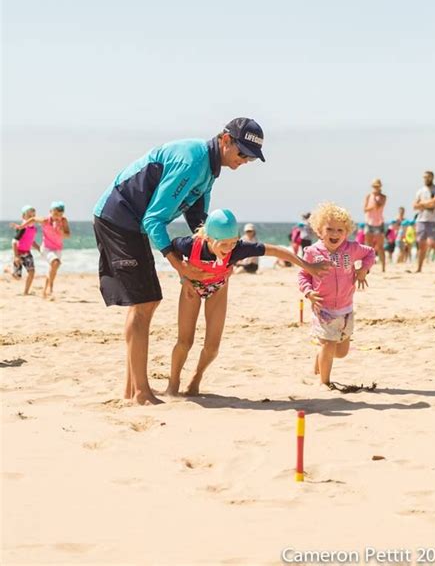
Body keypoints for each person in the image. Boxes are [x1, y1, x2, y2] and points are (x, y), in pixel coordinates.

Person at [93, 117, 266, 405]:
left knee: (143, 302)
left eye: (251, 156)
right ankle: (141, 394)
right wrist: (180, 265)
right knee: (146, 302)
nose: (246, 160)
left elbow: (199, 224)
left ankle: (131, 388)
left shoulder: (209, 169)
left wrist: (221, 256)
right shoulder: (192, 162)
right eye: (243, 153)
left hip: (128, 222)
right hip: (119, 219)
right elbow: (153, 219)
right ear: (225, 140)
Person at [165, 209, 330, 396]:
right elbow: (171, 252)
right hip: (191, 289)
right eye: (224, 244)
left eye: (233, 242)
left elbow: (276, 250)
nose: (228, 248)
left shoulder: (239, 249)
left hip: (218, 289)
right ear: (208, 238)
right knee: (185, 341)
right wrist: (184, 277)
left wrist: (308, 266)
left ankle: (196, 378)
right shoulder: (189, 245)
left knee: (212, 347)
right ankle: (174, 381)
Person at [298, 202, 375, 390]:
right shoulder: (312, 252)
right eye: (329, 229)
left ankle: (320, 357)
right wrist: (308, 292)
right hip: (322, 308)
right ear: (319, 230)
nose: (335, 234)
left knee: (341, 352)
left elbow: (370, 253)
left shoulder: (352, 249)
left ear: (347, 232)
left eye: (340, 230)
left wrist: (363, 270)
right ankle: (324, 381)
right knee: (328, 344)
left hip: (346, 308)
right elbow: (303, 275)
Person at [12, 202, 71, 298]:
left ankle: (47, 288)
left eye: (60, 215)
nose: (57, 217)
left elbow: (68, 235)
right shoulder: (45, 220)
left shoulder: (63, 221)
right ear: (50, 212)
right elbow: (33, 219)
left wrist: (61, 233)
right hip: (46, 248)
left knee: (54, 269)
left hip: (57, 249)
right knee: (55, 263)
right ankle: (47, 289)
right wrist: (21, 226)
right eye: (55, 214)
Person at [5, 205, 40, 295]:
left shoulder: (34, 229)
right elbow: (14, 242)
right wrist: (16, 256)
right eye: (29, 216)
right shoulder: (23, 228)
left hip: (27, 253)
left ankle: (26, 292)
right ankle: (8, 269)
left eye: (33, 216)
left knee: (31, 272)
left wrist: (39, 248)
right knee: (17, 277)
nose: (31, 218)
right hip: (19, 253)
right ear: (23, 217)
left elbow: (31, 241)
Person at [413, 171, 435, 272]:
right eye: (425, 177)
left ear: (432, 177)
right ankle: (419, 268)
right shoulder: (420, 191)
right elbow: (414, 206)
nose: (426, 179)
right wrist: (428, 204)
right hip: (421, 220)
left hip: (434, 220)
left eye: (428, 177)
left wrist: (422, 204)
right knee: (421, 245)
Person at [363, 179, 386, 272]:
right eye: (374, 186)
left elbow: (378, 206)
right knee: (368, 246)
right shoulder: (368, 196)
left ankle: (383, 267)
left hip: (379, 223)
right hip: (369, 222)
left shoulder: (383, 197)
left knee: (380, 247)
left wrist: (376, 198)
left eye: (377, 186)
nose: (376, 188)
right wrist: (372, 205)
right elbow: (365, 209)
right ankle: (368, 267)